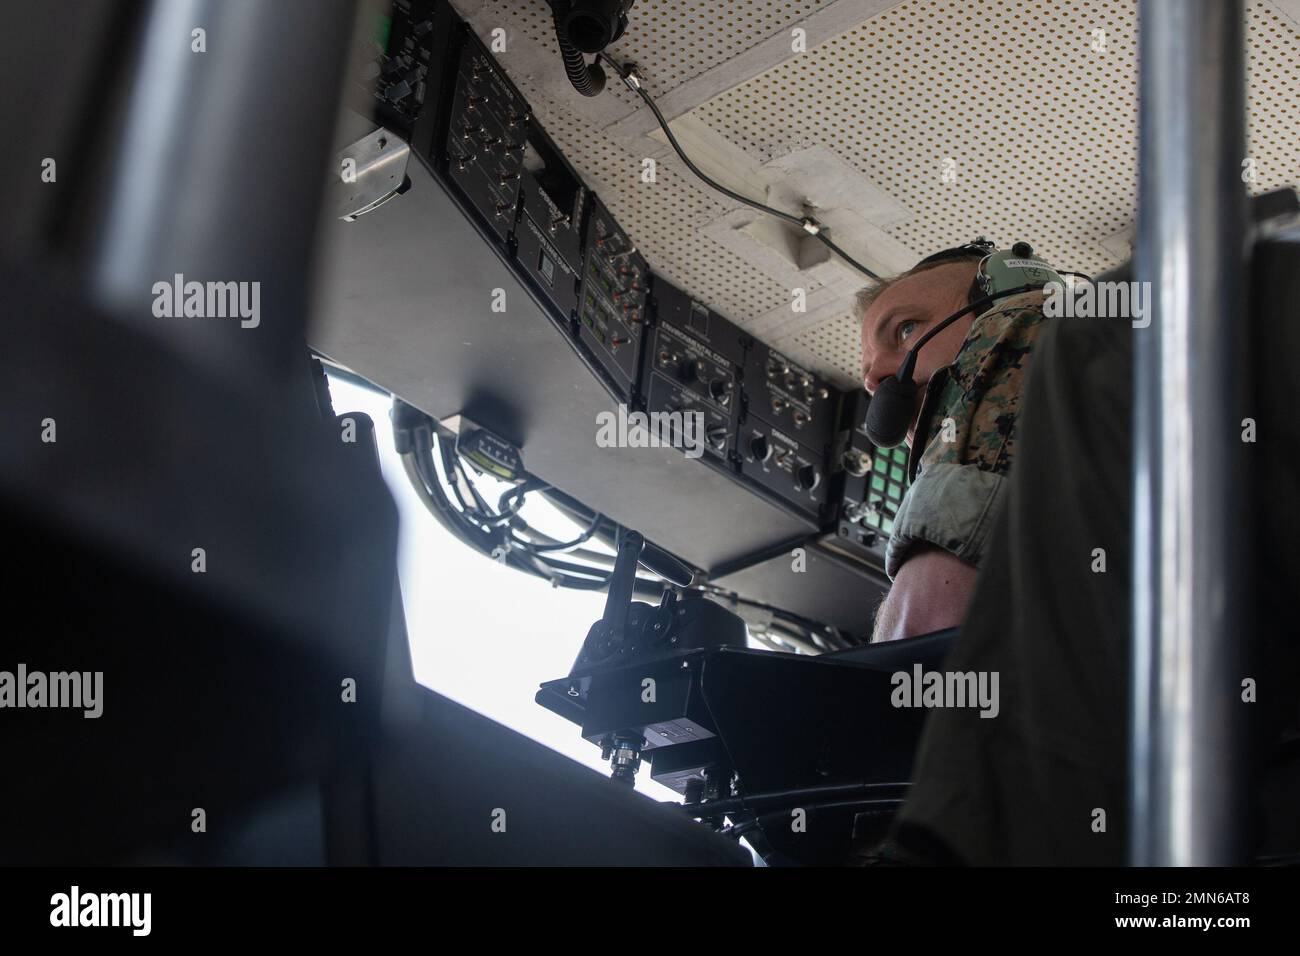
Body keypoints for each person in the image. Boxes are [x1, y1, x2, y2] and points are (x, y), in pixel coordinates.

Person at [857, 242, 1049, 643]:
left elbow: (926, 637)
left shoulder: (1025, 321)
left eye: (906, 328)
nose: (874, 379)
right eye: (866, 369)